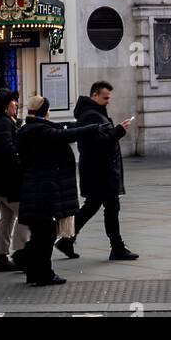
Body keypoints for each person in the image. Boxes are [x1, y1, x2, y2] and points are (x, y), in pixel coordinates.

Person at [16, 93, 94, 288]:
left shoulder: (30, 129)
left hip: (34, 190)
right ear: (45, 112)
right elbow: (64, 134)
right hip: (41, 192)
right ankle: (43, 273)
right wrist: (92, 128)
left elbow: (64, 130)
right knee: (46, 235)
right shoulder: (39, 131)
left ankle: (32, 270)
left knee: (40, 234)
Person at [55, 81, 136, 262]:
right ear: (95, 96)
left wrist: (116, 131)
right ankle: (117, 247)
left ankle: (67, 240)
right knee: (111, 208)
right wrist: (119, 132)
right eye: (105, 98)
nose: (108, 101)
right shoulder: (91, 115)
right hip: (100, 171)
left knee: (92, 207)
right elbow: (97, 143)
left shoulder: (93, 113)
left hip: (98, 171)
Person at [0, 88, 29, 272]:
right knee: (25, 215)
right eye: (13, 101)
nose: (16, 104)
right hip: (8, 179)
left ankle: (1, 257)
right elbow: (8, 149)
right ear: (4, 104)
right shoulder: (3, 122)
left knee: (7, 217)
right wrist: (22, 160)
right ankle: (21, 254)